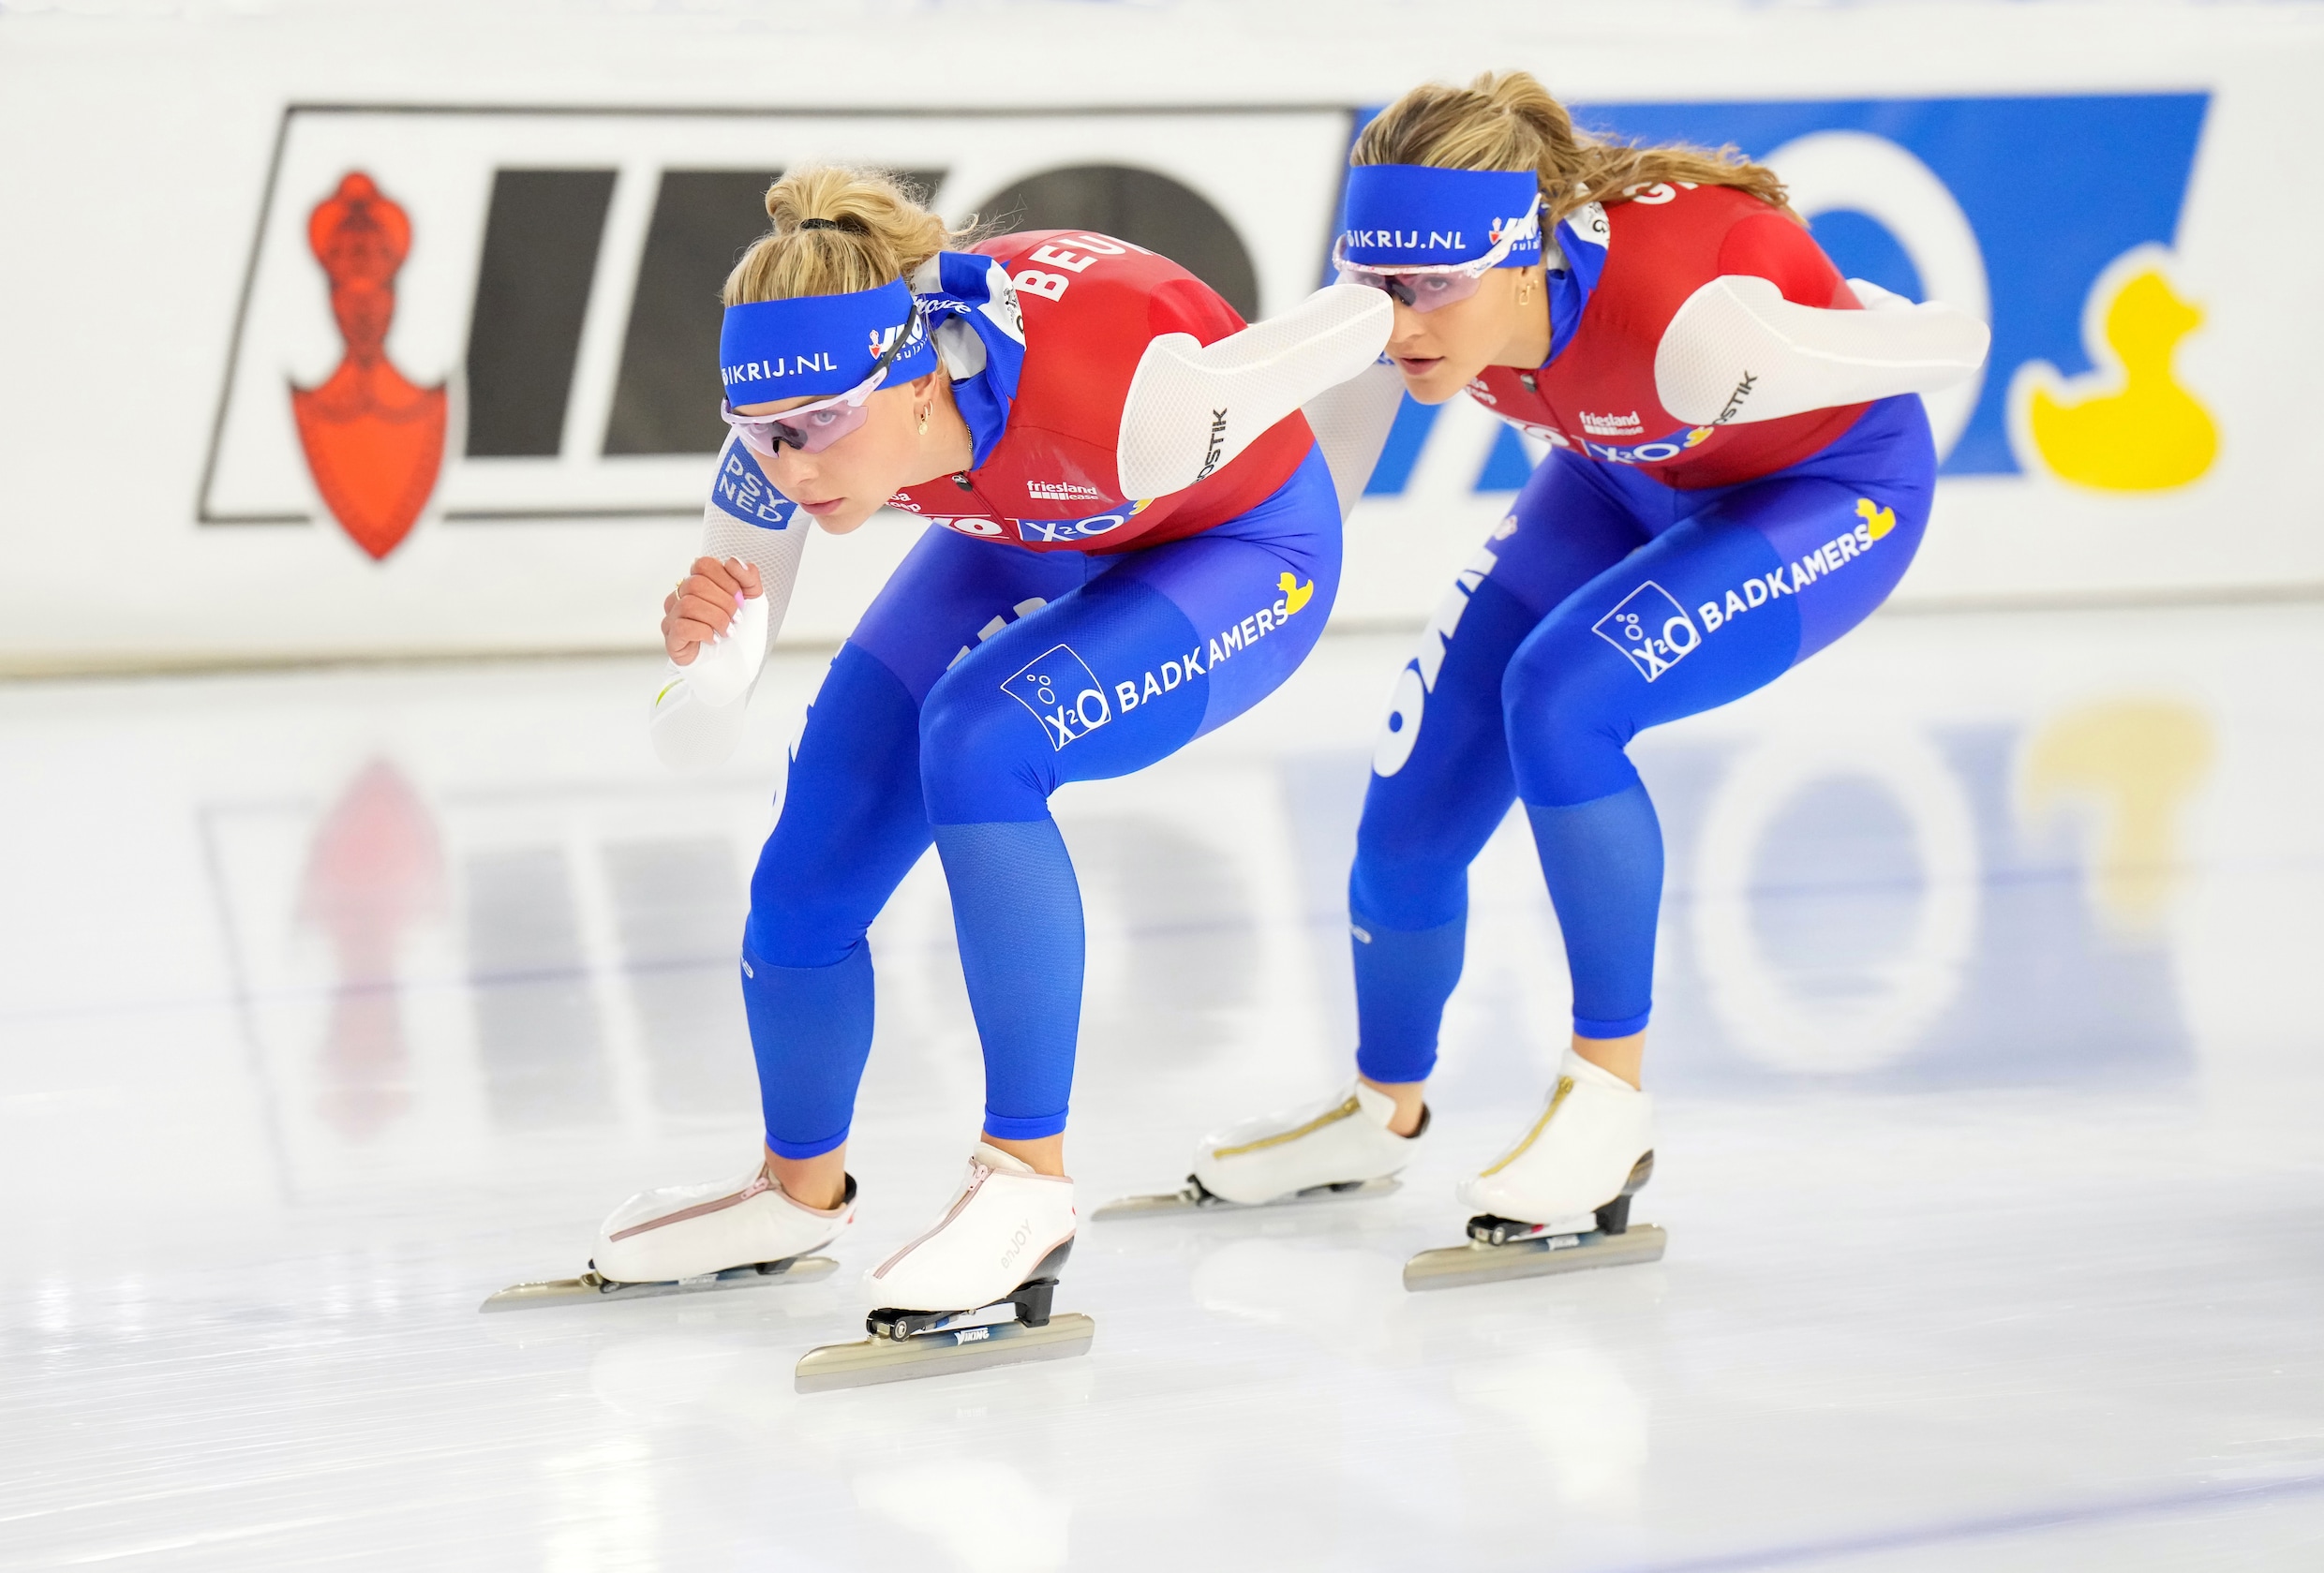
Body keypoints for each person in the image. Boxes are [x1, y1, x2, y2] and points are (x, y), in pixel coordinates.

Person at [1182, 71, 1987, 1243]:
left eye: (1435, 289)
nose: (1399, 324)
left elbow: (1946, 347)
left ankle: (1608, 1102)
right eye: (1375, 285)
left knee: (1562, 697)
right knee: (1414, 789)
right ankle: (1378, 1105)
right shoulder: (1389, 309)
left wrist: (1853, 315)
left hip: (1825, 488)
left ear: (1524, 256)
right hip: (1617, 474)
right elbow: (1309, 507)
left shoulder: (1691, 316)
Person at [584, 166, 1391, 1326]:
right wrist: (704, 665)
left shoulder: (1138, 399)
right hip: (1019, 524)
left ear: (917, 384)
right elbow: (693, 738)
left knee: (979, 738)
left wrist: (1410, 284)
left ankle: (1027, 1182)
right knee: (806, 870)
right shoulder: (790, 416)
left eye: (817, 429)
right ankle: (795, 1190)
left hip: (1236, 542)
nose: (791, 468)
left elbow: (1347, 325)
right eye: (757, 436)